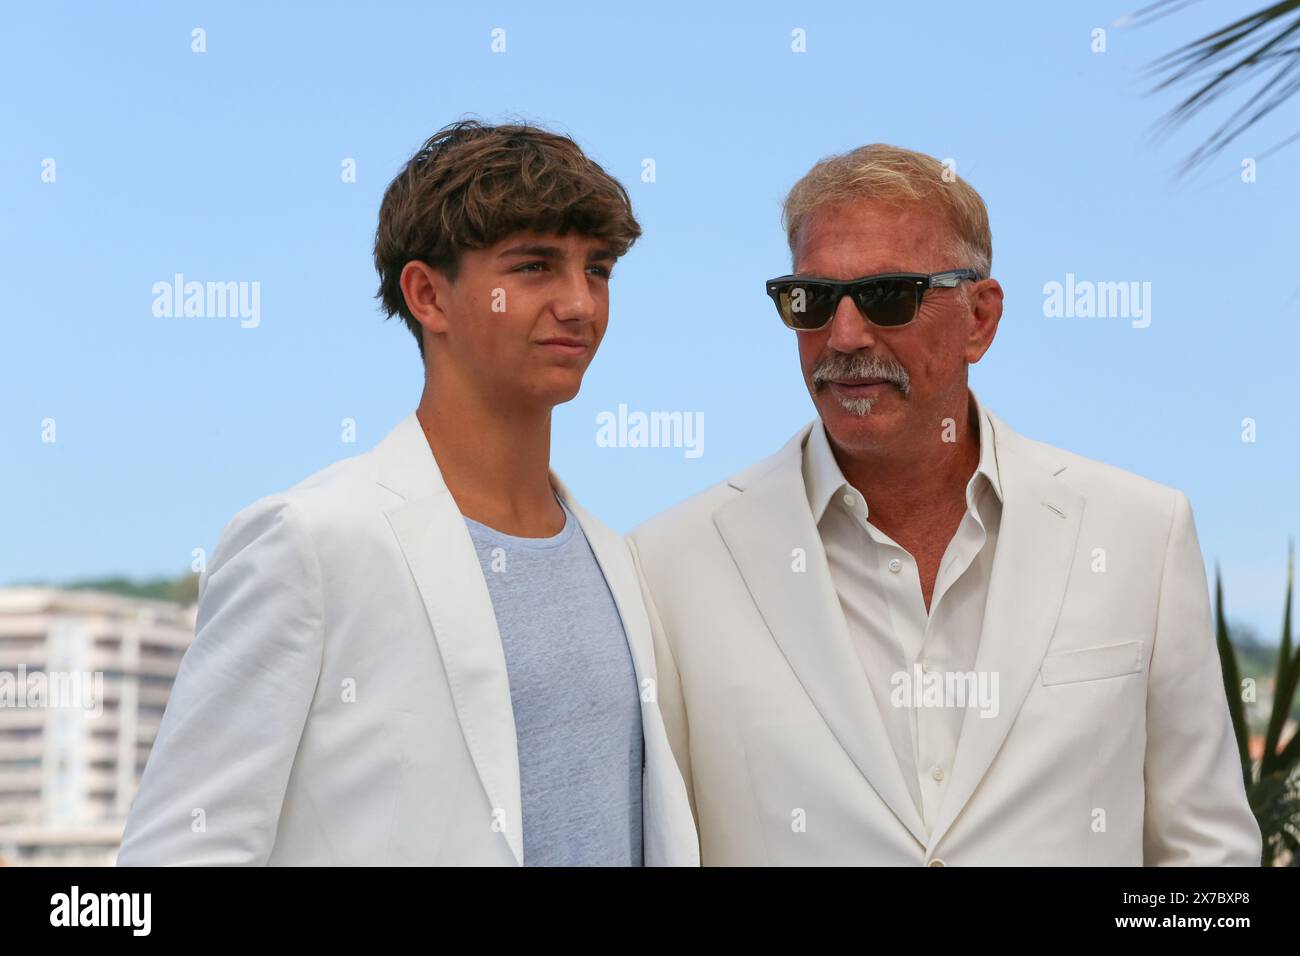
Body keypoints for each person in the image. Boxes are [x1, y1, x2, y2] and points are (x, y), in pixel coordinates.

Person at [627, 143, 1260, 866]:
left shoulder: (1140, 532)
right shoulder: (669, 564)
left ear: (980, 318)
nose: (844, 336)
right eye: (810, 301)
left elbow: (1210, 862)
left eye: (887, 295)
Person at [118, 120, 698, 866]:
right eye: (534, 267)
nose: (580, 302)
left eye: (599, 269)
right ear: (427, 294)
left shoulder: (618, 563)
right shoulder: (313, 541)